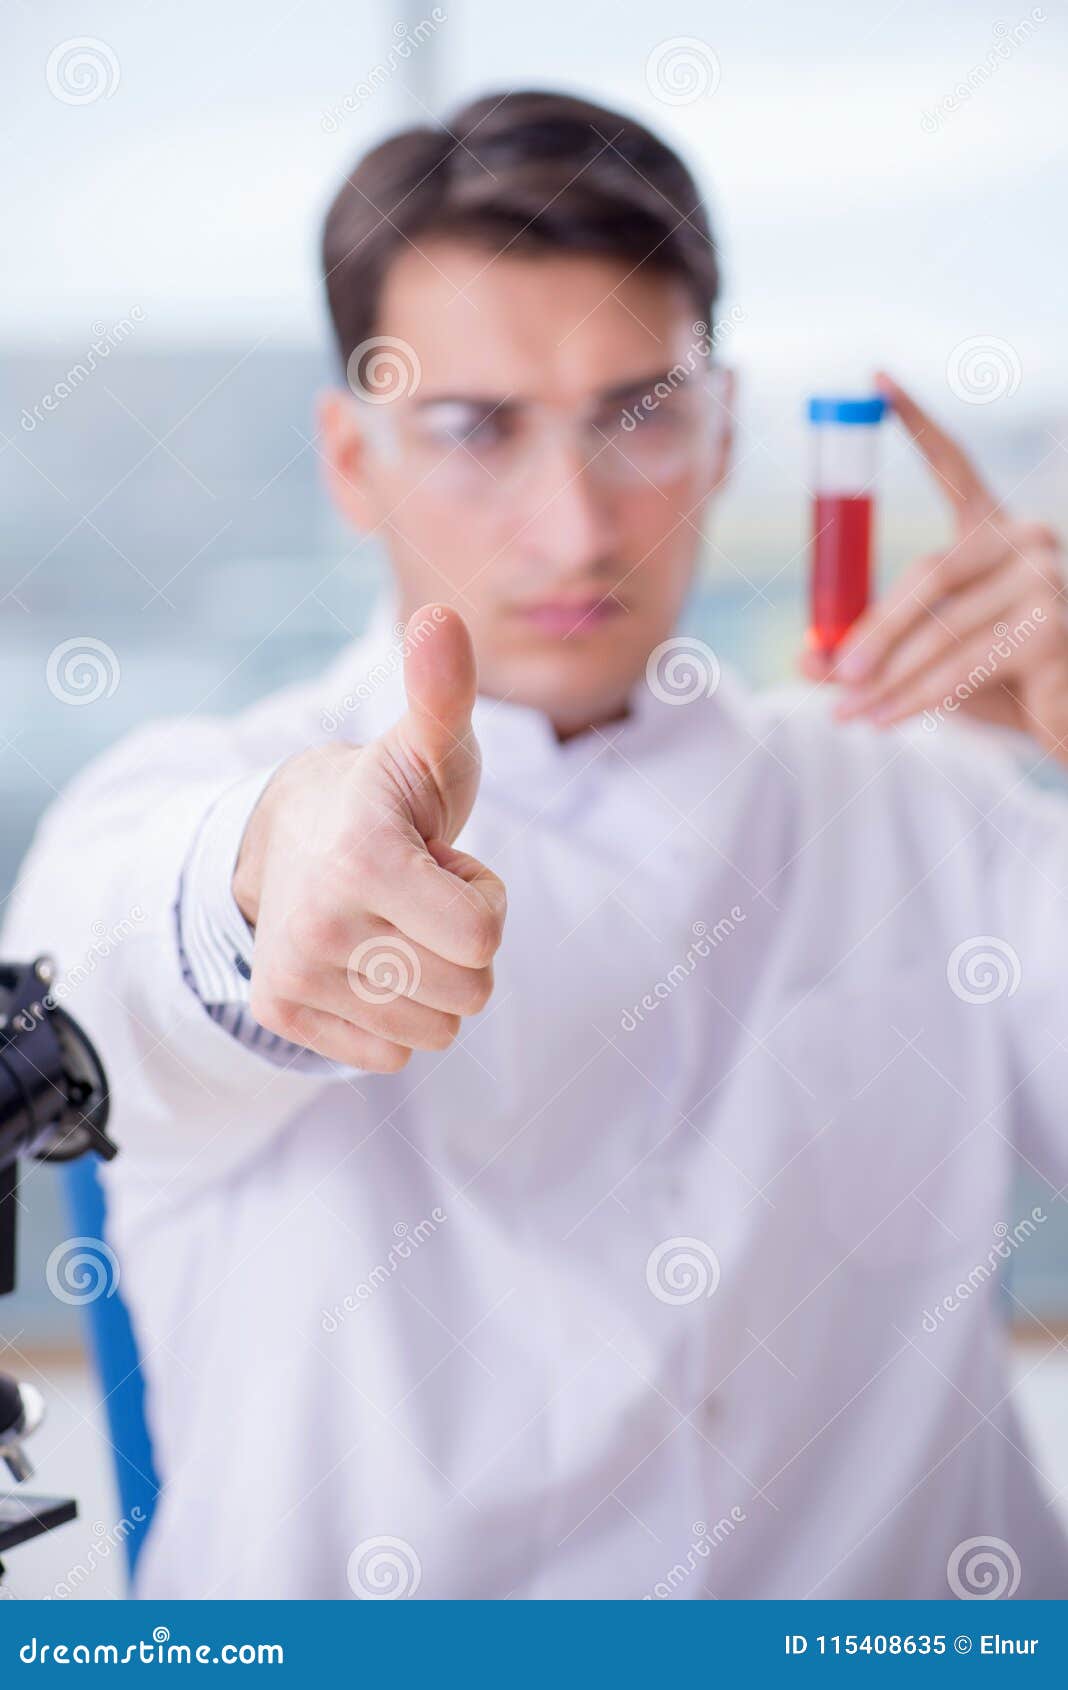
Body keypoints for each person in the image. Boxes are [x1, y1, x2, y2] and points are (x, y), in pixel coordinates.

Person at [6, 88, 1068, 1601]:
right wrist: (271, 885)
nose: (575, 528)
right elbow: (115, 982)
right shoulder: (181, 800)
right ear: (352, 458)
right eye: (473, 429)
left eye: (639, 414)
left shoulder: (927, 810)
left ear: (722, 433)